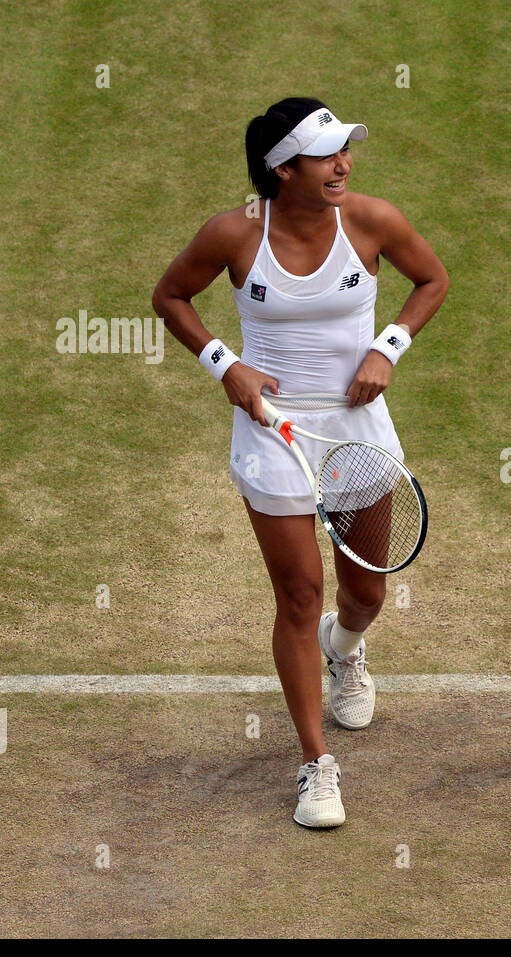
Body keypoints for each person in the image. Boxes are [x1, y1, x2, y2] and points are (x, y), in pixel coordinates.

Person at [153, 97, 448, 828]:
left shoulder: (373, 220)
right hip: (272, 431)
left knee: (366, 596)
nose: (344, 163)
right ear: (283, 170)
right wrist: (228, 366)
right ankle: (317, 762)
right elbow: (170, 296)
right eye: (326, 154)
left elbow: (432, 281)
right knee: (297, 595)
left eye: (346, 149)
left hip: (356, 429)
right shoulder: (232, 234)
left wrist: (388, 347)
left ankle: (345, 651)